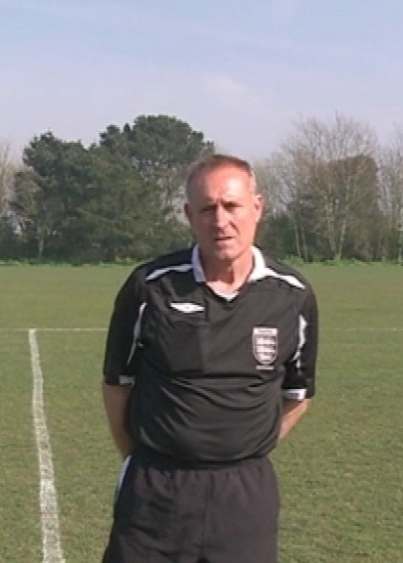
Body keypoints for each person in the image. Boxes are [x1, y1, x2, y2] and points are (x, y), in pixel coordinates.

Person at [101, 153, 319, 562]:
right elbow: (117, 385)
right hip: (156, 490)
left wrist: (244, 447)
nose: (220, 221)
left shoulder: (292, 295)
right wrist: (141, 457)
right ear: (189, 215)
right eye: (207, 209)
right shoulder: (150, 287)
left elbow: (298, 395)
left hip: (245, 495)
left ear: (257, 207)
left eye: (232, 206)